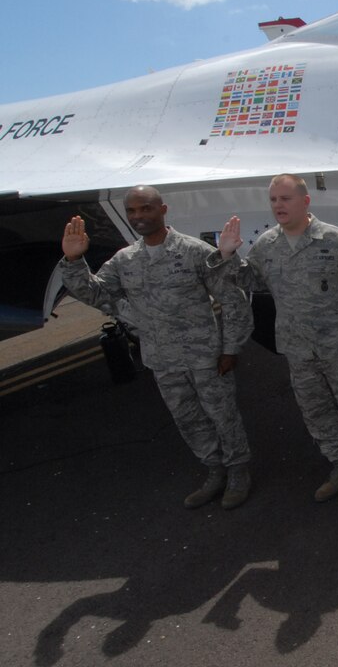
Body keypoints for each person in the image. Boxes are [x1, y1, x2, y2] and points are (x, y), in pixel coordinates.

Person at [59, 186, 254, 509]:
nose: (139, 216)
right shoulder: (125, 261)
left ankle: (238, 472)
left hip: (205, 356)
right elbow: (97, 294)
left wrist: (231, 348)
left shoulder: (193, 251)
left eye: (146, 209)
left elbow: (232, 301)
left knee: (223, 416)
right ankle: (214, 470)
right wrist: (73, 260)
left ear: (163, 210)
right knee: (188, 419)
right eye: (132, 211)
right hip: (163, 360)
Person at [213, 174, 338, 500]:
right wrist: (227, 256)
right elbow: (250, 281)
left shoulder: (335, 240)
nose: (279, 205)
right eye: (274, 200)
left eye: (285, 198)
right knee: (314, 408)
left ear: (305, 201)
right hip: (297, 346)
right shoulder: (267, 245)